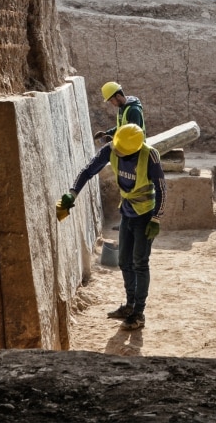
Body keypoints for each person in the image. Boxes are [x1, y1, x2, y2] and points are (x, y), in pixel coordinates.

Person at [57, 124, 166, 331]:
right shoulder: (112, 148)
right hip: (127, 211)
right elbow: (88, 170)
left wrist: (156, 218)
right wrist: (72, 193)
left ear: (134, 148)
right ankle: (130, 305)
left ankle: (139, 313)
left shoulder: (149, 156)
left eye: (121, 152)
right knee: (125, 261)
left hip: (145, 215)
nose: (116, 153)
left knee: (140, 263)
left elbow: (161, 188)